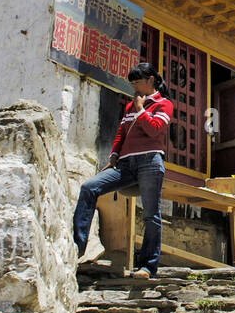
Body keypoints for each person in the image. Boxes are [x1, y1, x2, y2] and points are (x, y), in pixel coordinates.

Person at [72, 62, 174, 279]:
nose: (134, 87)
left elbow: (154, 130)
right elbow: (121, 133)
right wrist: (114, 156)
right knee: (89, 187)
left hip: (150, 162)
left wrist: (140, 109)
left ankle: (147, 266)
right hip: (125, 164)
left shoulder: (164, 104)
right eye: (132, 83)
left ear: (150, 81)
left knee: (150, 215)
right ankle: (77, 247)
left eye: (137, 82)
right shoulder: (129, 107)